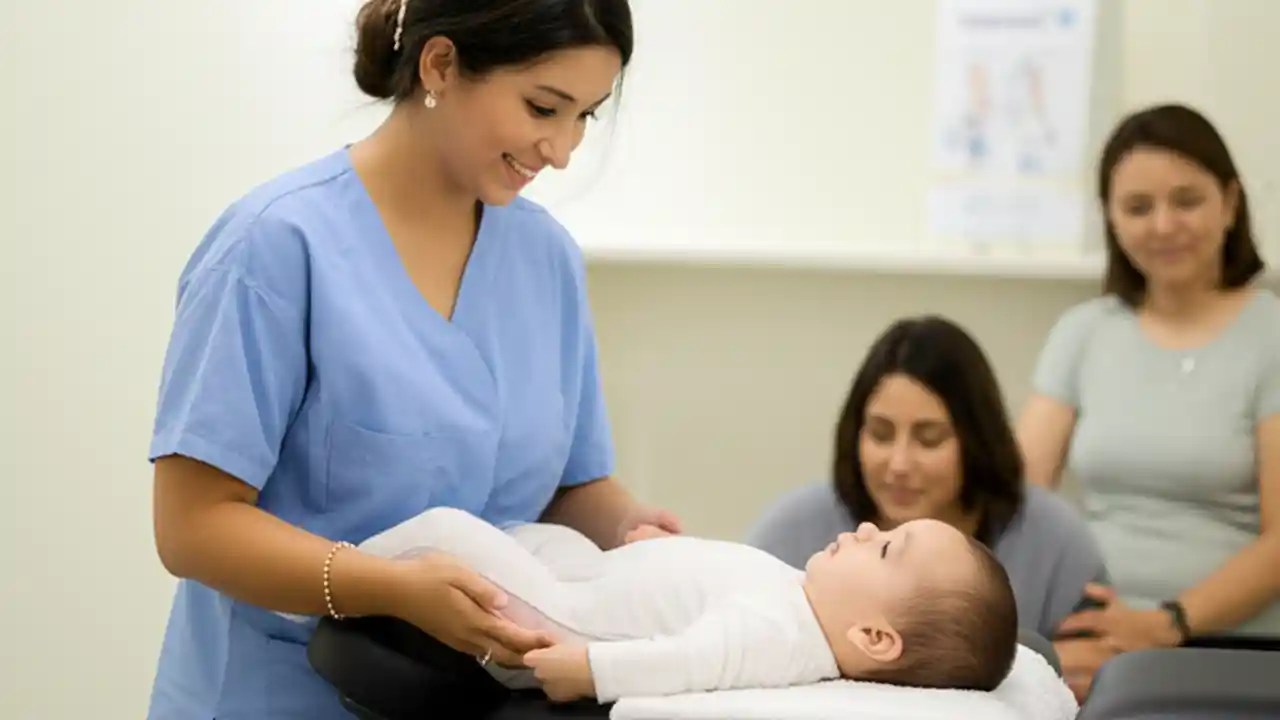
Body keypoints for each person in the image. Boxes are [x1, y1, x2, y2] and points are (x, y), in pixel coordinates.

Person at [145, 1, 683, 718]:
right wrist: (389, 588)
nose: (561, 150)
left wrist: (636, 536)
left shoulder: (545, 259)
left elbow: (565, 485)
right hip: (276, 693)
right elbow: (193, 529)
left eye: (585, 116)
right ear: (440, 65)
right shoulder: (274, 248)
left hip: (468, 701)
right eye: (543, 107)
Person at [1015, 102, 1280, 700]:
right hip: (1088, 634)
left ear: (1230, 203)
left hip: (1229, 646)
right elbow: (1015, 500)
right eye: (1138, 207)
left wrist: (1166, 624)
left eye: (1186, 200)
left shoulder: (1272, 335)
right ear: (1110, 219)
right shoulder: (1082, 332)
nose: (1162, 225)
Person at [351, 506, 1020, 704]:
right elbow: (720, 577)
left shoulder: (781, 638)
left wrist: (590, 669)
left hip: (567, 625)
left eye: (887, 551)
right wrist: (660, 552)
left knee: (445, 532)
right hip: (596, 583)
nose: (870, 530)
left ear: (875, 638)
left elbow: (687, 659)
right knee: (546, 537)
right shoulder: (803, 601)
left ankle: (325, 581)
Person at [743, 316, 1108, 648]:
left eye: (929, 439)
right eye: (881, 434)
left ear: (976, 441)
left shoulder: (1056, 544)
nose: (899, 464)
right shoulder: (790, 535)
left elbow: (1092, 669)